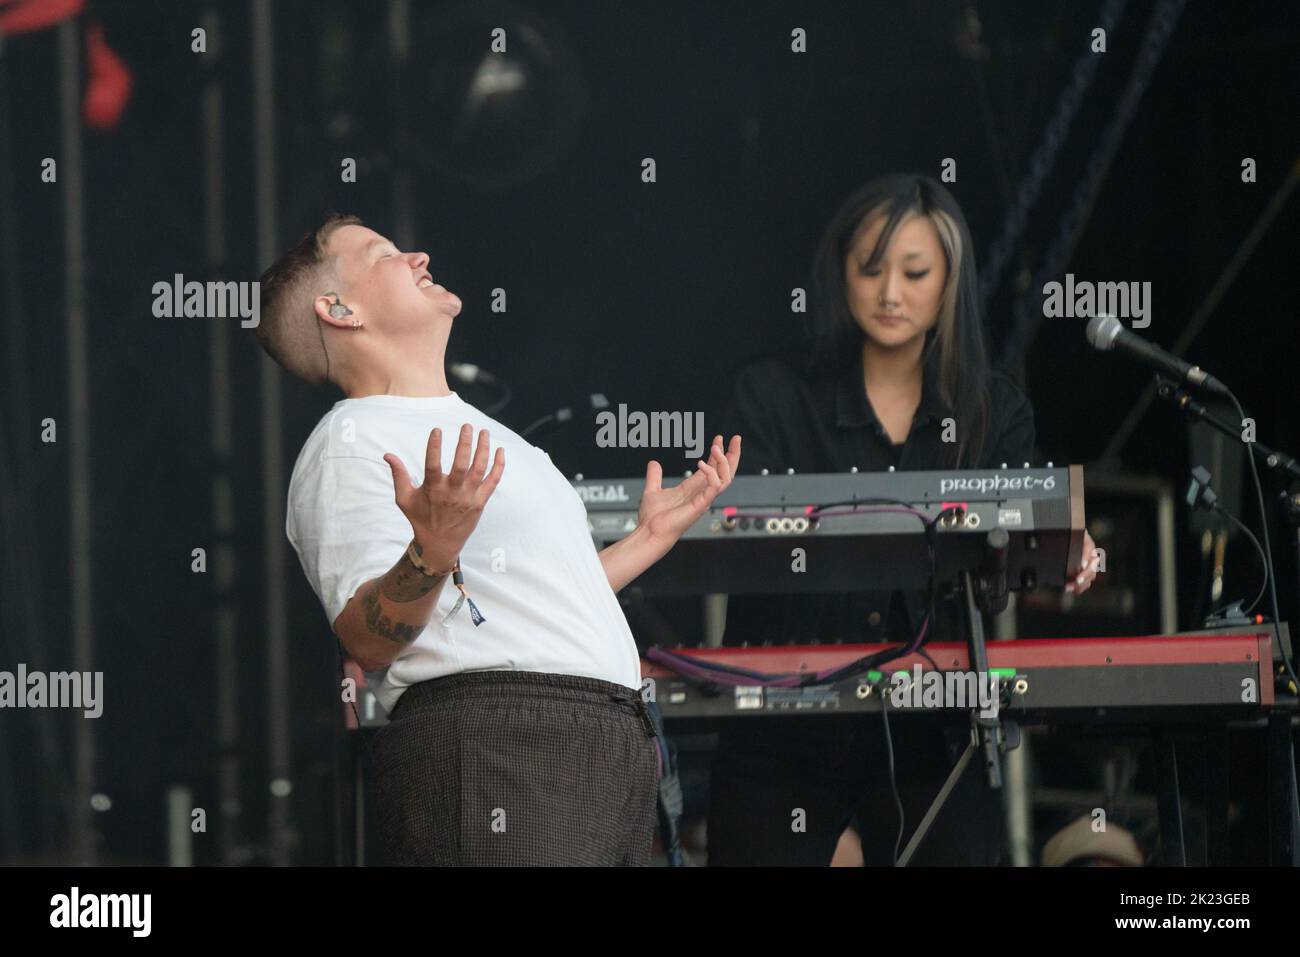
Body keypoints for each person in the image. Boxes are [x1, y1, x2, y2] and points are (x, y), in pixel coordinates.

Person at [253, 213, 742, 865]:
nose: (418, 255)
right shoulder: (351, 441)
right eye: (384, 255)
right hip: (499, 748)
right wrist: (430, 551)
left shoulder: (488, 432)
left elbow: (520, 604)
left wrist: (647, 538)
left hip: (603, 743)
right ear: (338, 309)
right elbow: (366, 637)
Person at [708, 174, 1098, 866]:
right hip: (778, 732)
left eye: (915, 272)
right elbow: (736, 544)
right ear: (840, 273)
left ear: (950, 280)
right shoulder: (768, 395)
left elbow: (1012, 551)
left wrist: (1062, 540)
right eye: (870, 269)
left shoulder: (994, 412)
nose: (890, 292)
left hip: (933, 733)